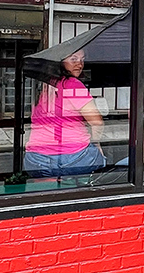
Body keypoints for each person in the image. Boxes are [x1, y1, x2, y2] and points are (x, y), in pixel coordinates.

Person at [24, 49, 106, 183]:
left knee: (45, 193)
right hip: (73, 158)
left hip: (35, 160)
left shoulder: (45, 84)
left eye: (82, 59)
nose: (80, 64)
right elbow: (96, 121)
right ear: (60, 62)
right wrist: (96, 144)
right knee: (101, 161)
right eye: (73, 59)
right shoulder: (73, 85)